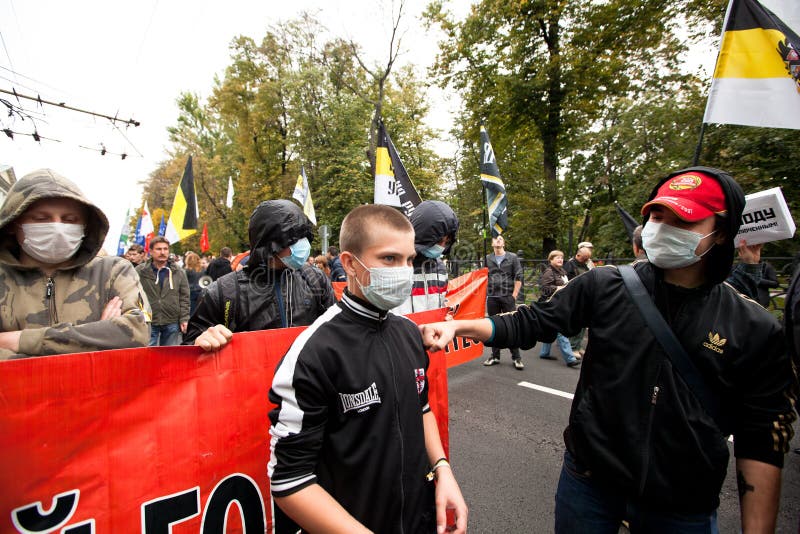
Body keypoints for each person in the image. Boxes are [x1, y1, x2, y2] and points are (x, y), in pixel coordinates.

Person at [420, 166, 797, 533]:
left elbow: (762, 440)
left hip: (682, 507)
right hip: (589, 487)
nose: (663, 229)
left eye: (682, 221)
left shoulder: (754, 327)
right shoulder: (605, 285)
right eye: (657, 215)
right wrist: (458, 326)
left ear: (721, 232)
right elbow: (529, 322)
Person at [268, 204, 468, 534]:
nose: (404, 271)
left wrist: (443, 469)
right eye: (389, 259)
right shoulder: (315, 352)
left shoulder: (408, 333)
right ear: (349, 263)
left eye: (409, 260)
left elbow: (422, 408)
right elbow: (290, 480)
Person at [0, 169, 149, 358]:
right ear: (14, 223)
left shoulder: (113, 271)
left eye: (69, 220)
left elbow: (137, 332)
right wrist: (97, 336)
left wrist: (19, 340)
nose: (58, 227)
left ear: (85, 226)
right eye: (41, 218)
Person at [185, 199, 334, 351]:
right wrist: (200, 341)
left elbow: (335, 330)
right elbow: (187, 350)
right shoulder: (223, 292)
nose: (304, 245)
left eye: (304, 236)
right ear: (271, 244)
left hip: (305, 373)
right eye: (294, 239)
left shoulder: (315, 279)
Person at [392, 199, 459, 315]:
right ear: (422, 237)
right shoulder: (395, 266)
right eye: (438, 241)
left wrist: (447, 317)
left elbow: (442, 303)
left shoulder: (440, 267)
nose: (442, 246)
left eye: (446, 241)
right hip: (402, 331)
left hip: (433, 331)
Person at [137, 236, 190, 346]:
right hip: (148, 320)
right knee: (146, 355)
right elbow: (134, 294)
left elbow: (184, 297)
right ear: (151, 251)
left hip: (171, 320)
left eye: (165, 249)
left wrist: (184, 318)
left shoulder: (178, 272)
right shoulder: (140, 271)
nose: (162, 252)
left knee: (168, 356)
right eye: (159, 249)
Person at [484, 234, 524, 369]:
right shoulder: (487, 258)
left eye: (500, 238)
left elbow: (519, 277)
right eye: (495, 238)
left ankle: (516, 357)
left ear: (504, 243)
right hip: (493, 297)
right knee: (494, 326)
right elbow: (483, 277)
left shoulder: (512, 257)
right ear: (492, 243)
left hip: (507, 296)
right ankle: (495, 356)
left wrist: (514, 296)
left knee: (512, 325)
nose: (498, 239)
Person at [538, 250, 580, 367]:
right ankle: (570, 359)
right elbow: (545, 288)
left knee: (551, 329)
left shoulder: (562, 271)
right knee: (561, 330)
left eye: (561, 257)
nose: (560, 259)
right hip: (552, 304)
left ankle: (544, 353)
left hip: (560, 303)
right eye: (557, 258)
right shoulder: (549, 271)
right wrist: (560, 288)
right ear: (551, 260)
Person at [564, 243, 594, 355]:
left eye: (588, 258)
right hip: (574, 297)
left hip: (584, 297)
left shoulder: (585, 265)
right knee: (575, 322)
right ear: (578, 255)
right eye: (585, 258)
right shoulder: (569, 265)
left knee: (583, 323)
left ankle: (578, 345)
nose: (587, 260)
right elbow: (568, 283)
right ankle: (572, 347)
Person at [183, 251, 205, 316]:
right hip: (201, 291)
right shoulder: (203, 270)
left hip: (190, 291)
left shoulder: (187, 270)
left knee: (191, 311)